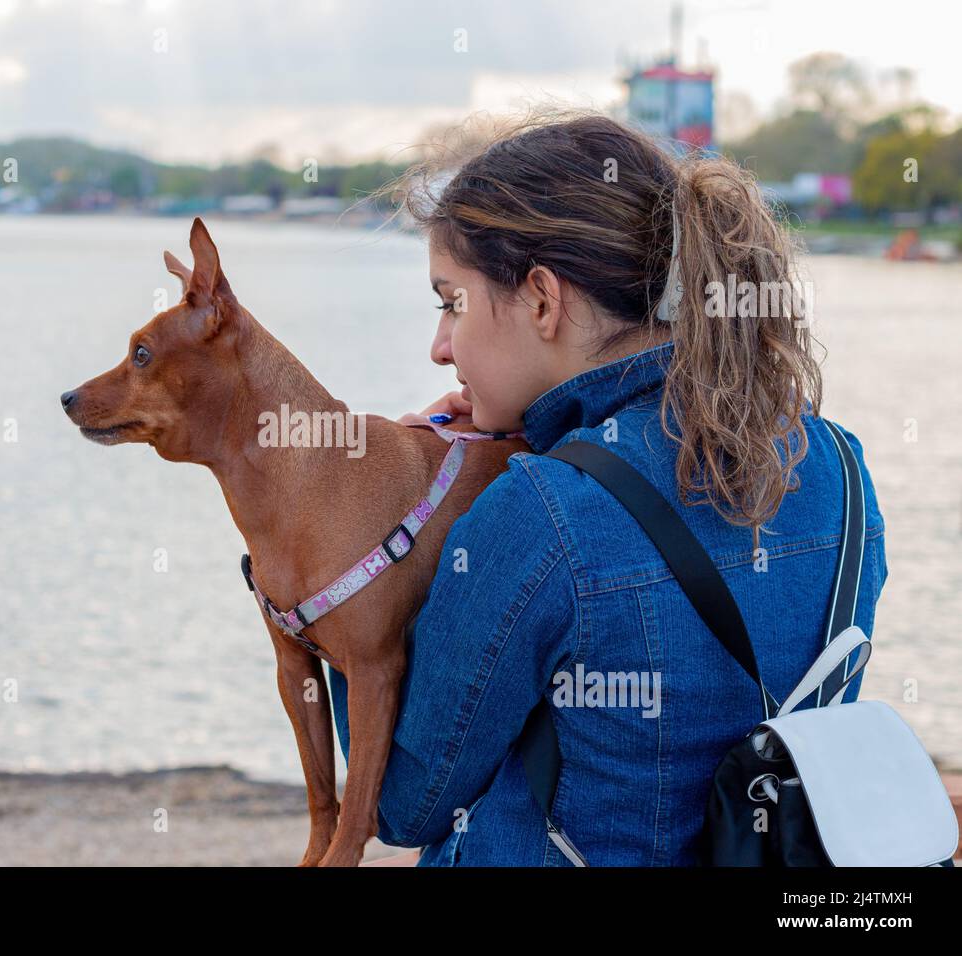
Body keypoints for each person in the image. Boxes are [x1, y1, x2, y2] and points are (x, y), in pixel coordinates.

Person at [329, 110, 887, 866]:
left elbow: (401, 802)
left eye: (451, 301)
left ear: (541, 300)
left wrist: (375, 531)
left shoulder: (542, 513)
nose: (438, 347)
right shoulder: (840, 468)